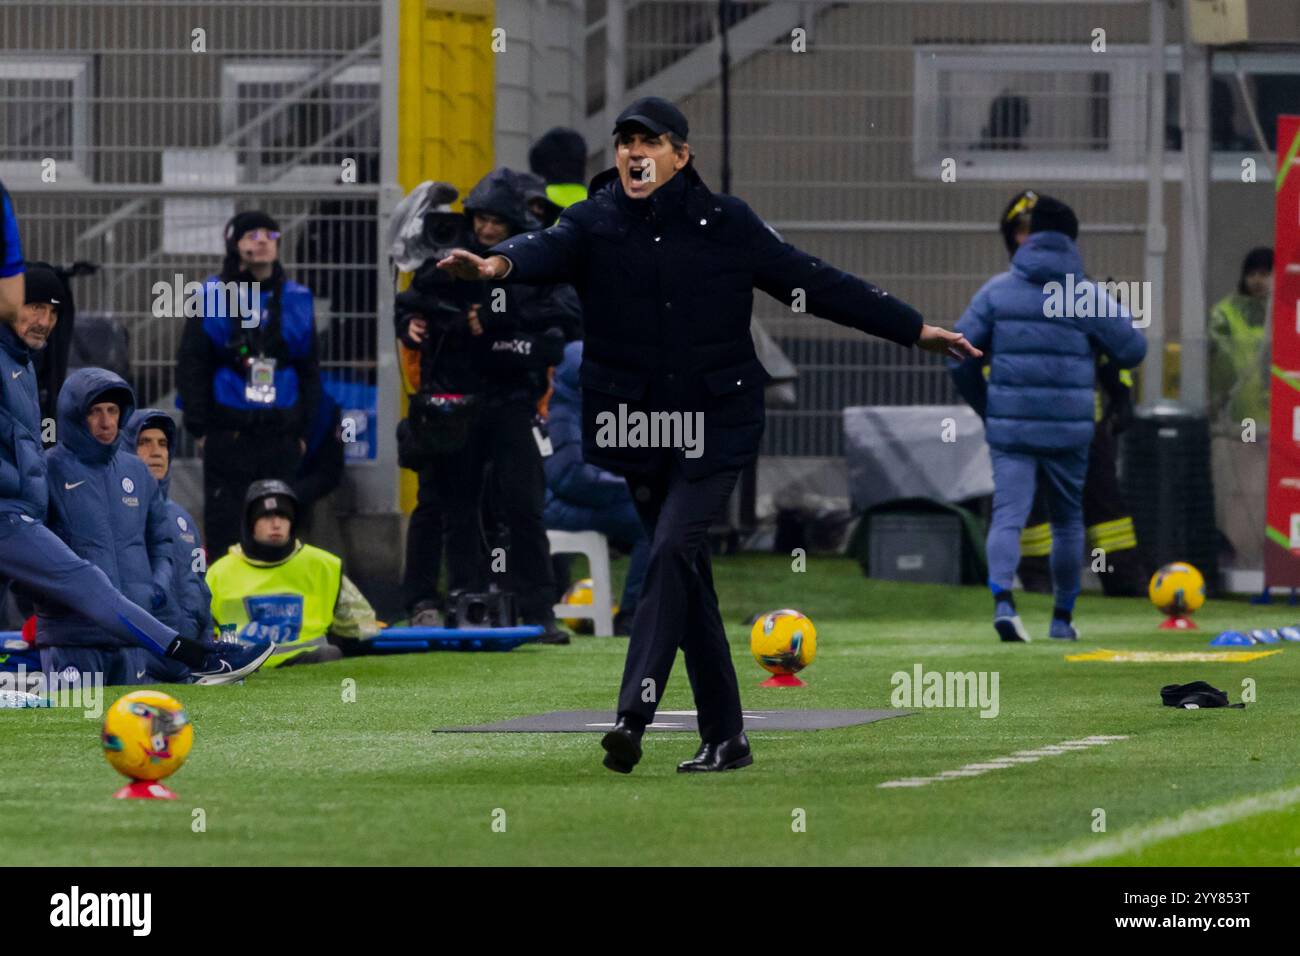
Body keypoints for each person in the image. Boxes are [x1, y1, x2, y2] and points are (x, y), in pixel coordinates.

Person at [439, 96, 975, 773]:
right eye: (626, 141)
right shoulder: (592, 222)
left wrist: (911, 327)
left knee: (666, 551)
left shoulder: (727, 224)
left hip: (716, 424)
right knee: (686, 574)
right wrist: (495, 266)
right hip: (634, 426)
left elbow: (813, 281)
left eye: (650, 141)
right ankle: (727, 735)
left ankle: (633, 714)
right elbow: (542, 250)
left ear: (681, 154)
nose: (635, 152)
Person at [0, 195, 269, 686]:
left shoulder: (22, 364)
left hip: (16, 516)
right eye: (33, 306)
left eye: (52, 310)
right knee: (88, 582)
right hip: (7, 518)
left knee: (86, 584)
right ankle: (199, 657)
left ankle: (195, 654)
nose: (44, 320)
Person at [948, 194, 1147, 643]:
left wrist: (988, 405)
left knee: (1009, 515)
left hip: (1011, 429)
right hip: (1071, 431)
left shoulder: (996, 291)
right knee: (1068, 522)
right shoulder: (1084, 294)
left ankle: (1004, 603)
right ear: (1071, 240)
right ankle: (1062, 618)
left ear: (1029, 237)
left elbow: (958, 356)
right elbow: (1133, 348)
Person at [397, 167, 580, 640]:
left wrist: (503, 329)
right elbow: (414, 302)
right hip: (455, 404)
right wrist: (412, 322)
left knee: (522, 505)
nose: (485, 230)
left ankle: (539, 609)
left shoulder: (539, 262)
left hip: (511, 402)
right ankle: (465, 602)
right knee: (454, 507)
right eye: (480, 219)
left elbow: (558, 333)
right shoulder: (447, 250)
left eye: (497, 222)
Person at [996, 191, 1142, 598]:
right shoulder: (1005, 294)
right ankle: (1037, 583)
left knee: (1105, 504)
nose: (1028, 239)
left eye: (1035, 230)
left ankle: (1124, 582)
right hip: (1025, 423)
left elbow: (1111, 349)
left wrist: (1122, 395)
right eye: (1021, 231)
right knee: (1030, 506)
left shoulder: (1079, 291)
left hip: (1082, 422)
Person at [176, 210, 322, 558]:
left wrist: (303, 430)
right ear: (235, 245)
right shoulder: (211, 294)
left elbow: (309, 368)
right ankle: (224, 606)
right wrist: (200, 427)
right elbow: (192, 362)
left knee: (279, 521)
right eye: (251, 234)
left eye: (270, 234)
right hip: (229, 432)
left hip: (280, 430)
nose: (262, 240)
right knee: (226, 524)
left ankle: (280, 602)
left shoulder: (297, 298)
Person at [206, 480, 379, 668]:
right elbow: (198, 628)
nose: (276, 524)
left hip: (310, 661)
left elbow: (361, 629)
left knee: (331, 653)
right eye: (266, 516)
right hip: (241, 667)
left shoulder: (323, 565)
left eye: (283, 516)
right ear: (250, 524)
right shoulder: (219, 572)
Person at [545, 340, 648, 635]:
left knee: (649, 512)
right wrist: (629, 488)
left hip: (566, 500)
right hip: (553, 505)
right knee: (648, 521)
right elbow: (569, 477)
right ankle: (633, 614)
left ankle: (639, 611)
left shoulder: (576, 408)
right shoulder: (565, 415)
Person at [123, 408, 214, 647]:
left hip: (187, 657)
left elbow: (201, 587)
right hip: (141, 654)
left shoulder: (185, 520)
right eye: (144, 442)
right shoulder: (117, 513)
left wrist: (205, 647)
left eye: (163, 444)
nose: (156, 453)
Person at [1209, 247, 1273, 429]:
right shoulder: (1225, 313)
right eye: (1251, 274)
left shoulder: (1289, 315)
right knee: (1246, 452)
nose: (1257, 280)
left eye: (1264, 273)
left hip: (1277, 416)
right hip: (1241, 414)